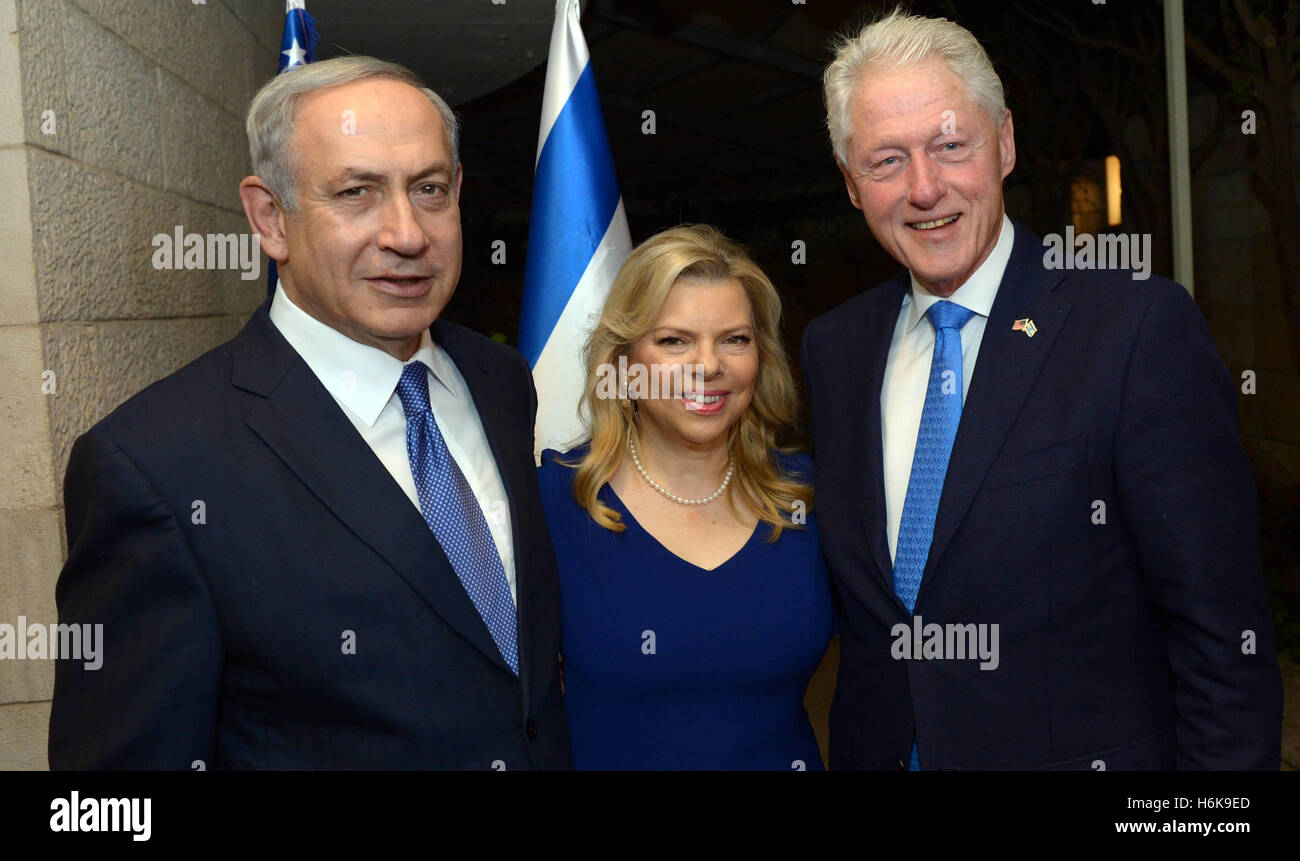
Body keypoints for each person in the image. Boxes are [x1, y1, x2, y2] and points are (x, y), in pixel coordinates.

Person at [48, 57, 570, 769]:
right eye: (356, 192)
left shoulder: (500, 379)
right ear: (270, 218)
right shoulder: (155, 467)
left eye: (429, 189)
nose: (407, 234)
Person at [802, 8, 1283, 769]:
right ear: (852, 185)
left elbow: (1222, 640)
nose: (924, 188)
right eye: (886, 160)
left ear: (1006, 144)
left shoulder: (1135, 330)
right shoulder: (835, 349)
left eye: (951, 145)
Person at [537, 225, 833, 769]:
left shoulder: (810, 496)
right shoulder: (555, 501)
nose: (708, 365)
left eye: (734, 339)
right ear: (624, 363)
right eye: (674, 341)